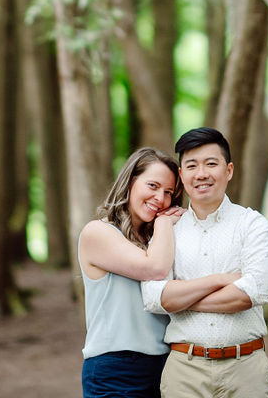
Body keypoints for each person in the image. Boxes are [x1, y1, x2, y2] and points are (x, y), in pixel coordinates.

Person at [141, 127, 268, 398]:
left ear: (229, 170)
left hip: (246, 369)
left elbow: (252, 293)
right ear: (181, 175)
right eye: (192, 166)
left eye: (211, 164)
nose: (201, 173)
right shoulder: (167, 229)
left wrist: (181, 298)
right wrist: (221, 281)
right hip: (184, 372)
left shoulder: (252, 224)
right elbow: (154, 298)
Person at [79, 147, 185, 398]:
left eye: (168, 192)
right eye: (153, 186)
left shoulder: (159, 240)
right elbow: (155, 268)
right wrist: (164, 222)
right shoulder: (97, 232)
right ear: (130, 182)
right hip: (115, 372)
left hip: (165, 367)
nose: (160, 198)